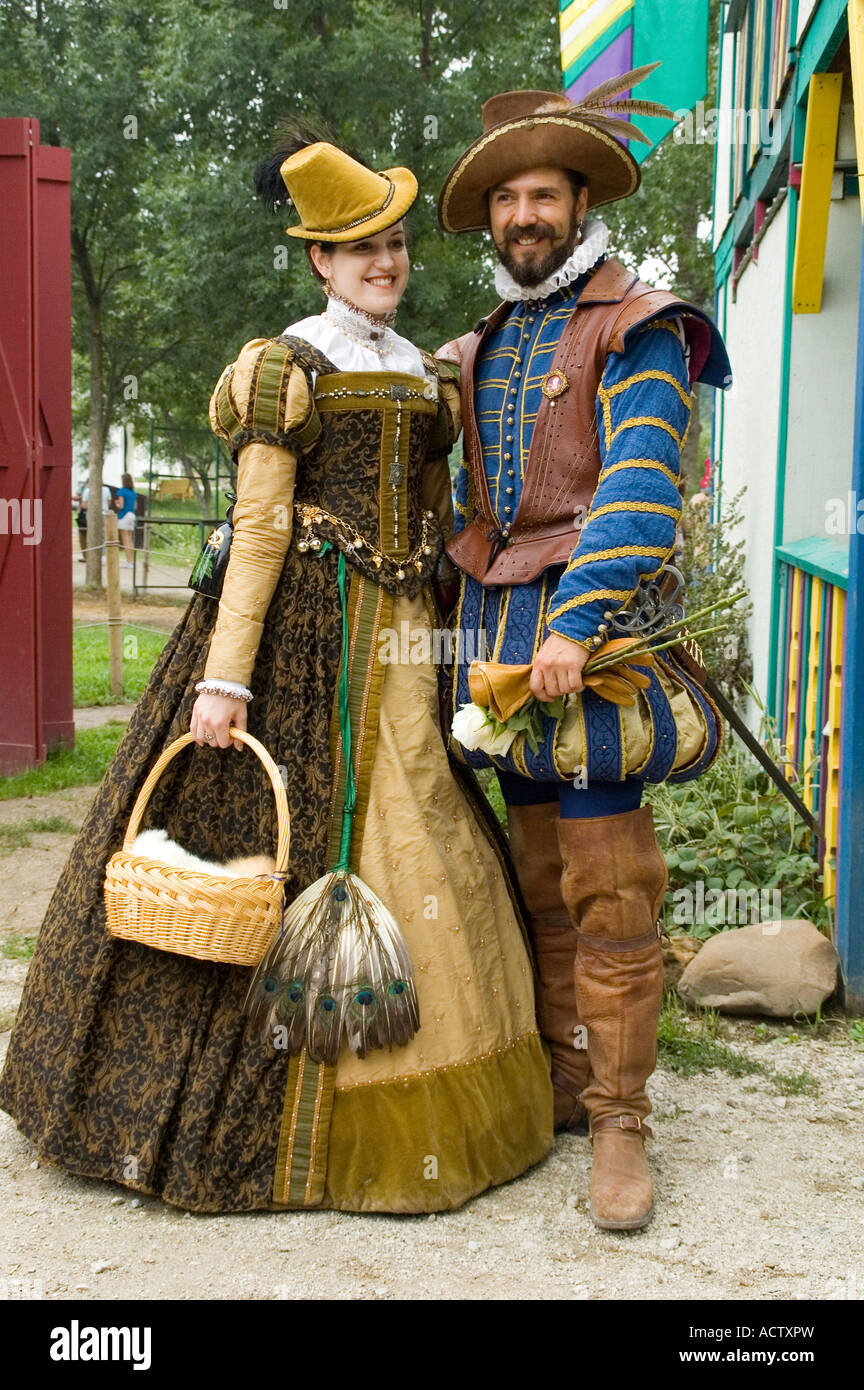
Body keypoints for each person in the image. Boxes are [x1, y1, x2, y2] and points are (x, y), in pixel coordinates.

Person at [0, 128, 552, 1214]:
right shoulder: (286, 365)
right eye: (359, 251)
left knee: (427, 820)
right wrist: (225, 680)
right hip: (300, 637)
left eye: (393, 244)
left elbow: (441, 518)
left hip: (405, 637)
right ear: (318, 262)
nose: (384, 263)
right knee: (281, 848)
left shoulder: (425, 372)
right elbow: (257, 532)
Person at [435, 65, 732, 1231]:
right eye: (506, 202)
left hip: (589, 651)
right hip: (496, 642)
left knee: (611, 888)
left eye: (543, 196)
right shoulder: (479, 346)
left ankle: (621, 1120)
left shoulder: (644, 323)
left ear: (578, 202)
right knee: (537, 881)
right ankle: (565, 1075)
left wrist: (576, 621)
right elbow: (468, 502)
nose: (524, 217)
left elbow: (640, 495)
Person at [114, 472, 138, 567]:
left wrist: (117, 503)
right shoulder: (133, 492)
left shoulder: (122, 491)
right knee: (130, 540)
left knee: (125, 540)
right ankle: (130, 561)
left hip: (124, 515)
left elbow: (121, 505)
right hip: (132, 515)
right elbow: (135, 506)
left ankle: (128, 562)